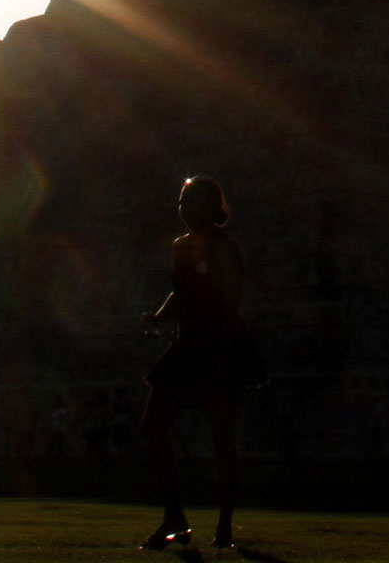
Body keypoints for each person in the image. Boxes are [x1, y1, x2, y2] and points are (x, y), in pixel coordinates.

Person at [139, 176, 265, 551]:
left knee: (221, 440)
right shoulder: (179, 247)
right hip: (186, 344)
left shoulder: (226, 249)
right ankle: (174, 515)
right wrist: (160, 317)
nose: (184, 208)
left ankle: (224, 526)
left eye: (192, 200)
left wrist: (226, 358)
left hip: (217, 345)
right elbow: (180, 291)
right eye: (181, 200)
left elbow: (231, 304)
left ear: (214, 207)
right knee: (152, 427)